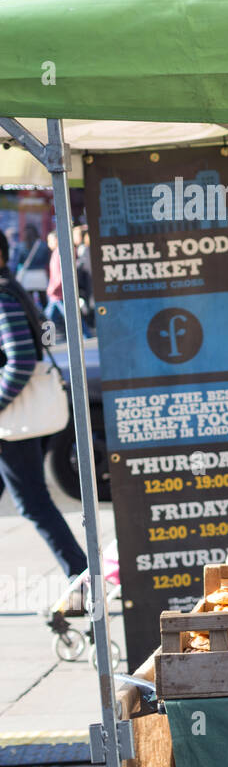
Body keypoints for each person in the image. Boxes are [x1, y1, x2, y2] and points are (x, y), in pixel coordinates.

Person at [0, 231, 88, 579]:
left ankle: (80, 577)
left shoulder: (3, 297)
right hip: (15, 417)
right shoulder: (11, 289)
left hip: (14, 419)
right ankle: (80, 577)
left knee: (34, 502)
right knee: (34, 501)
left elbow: (21, 359)